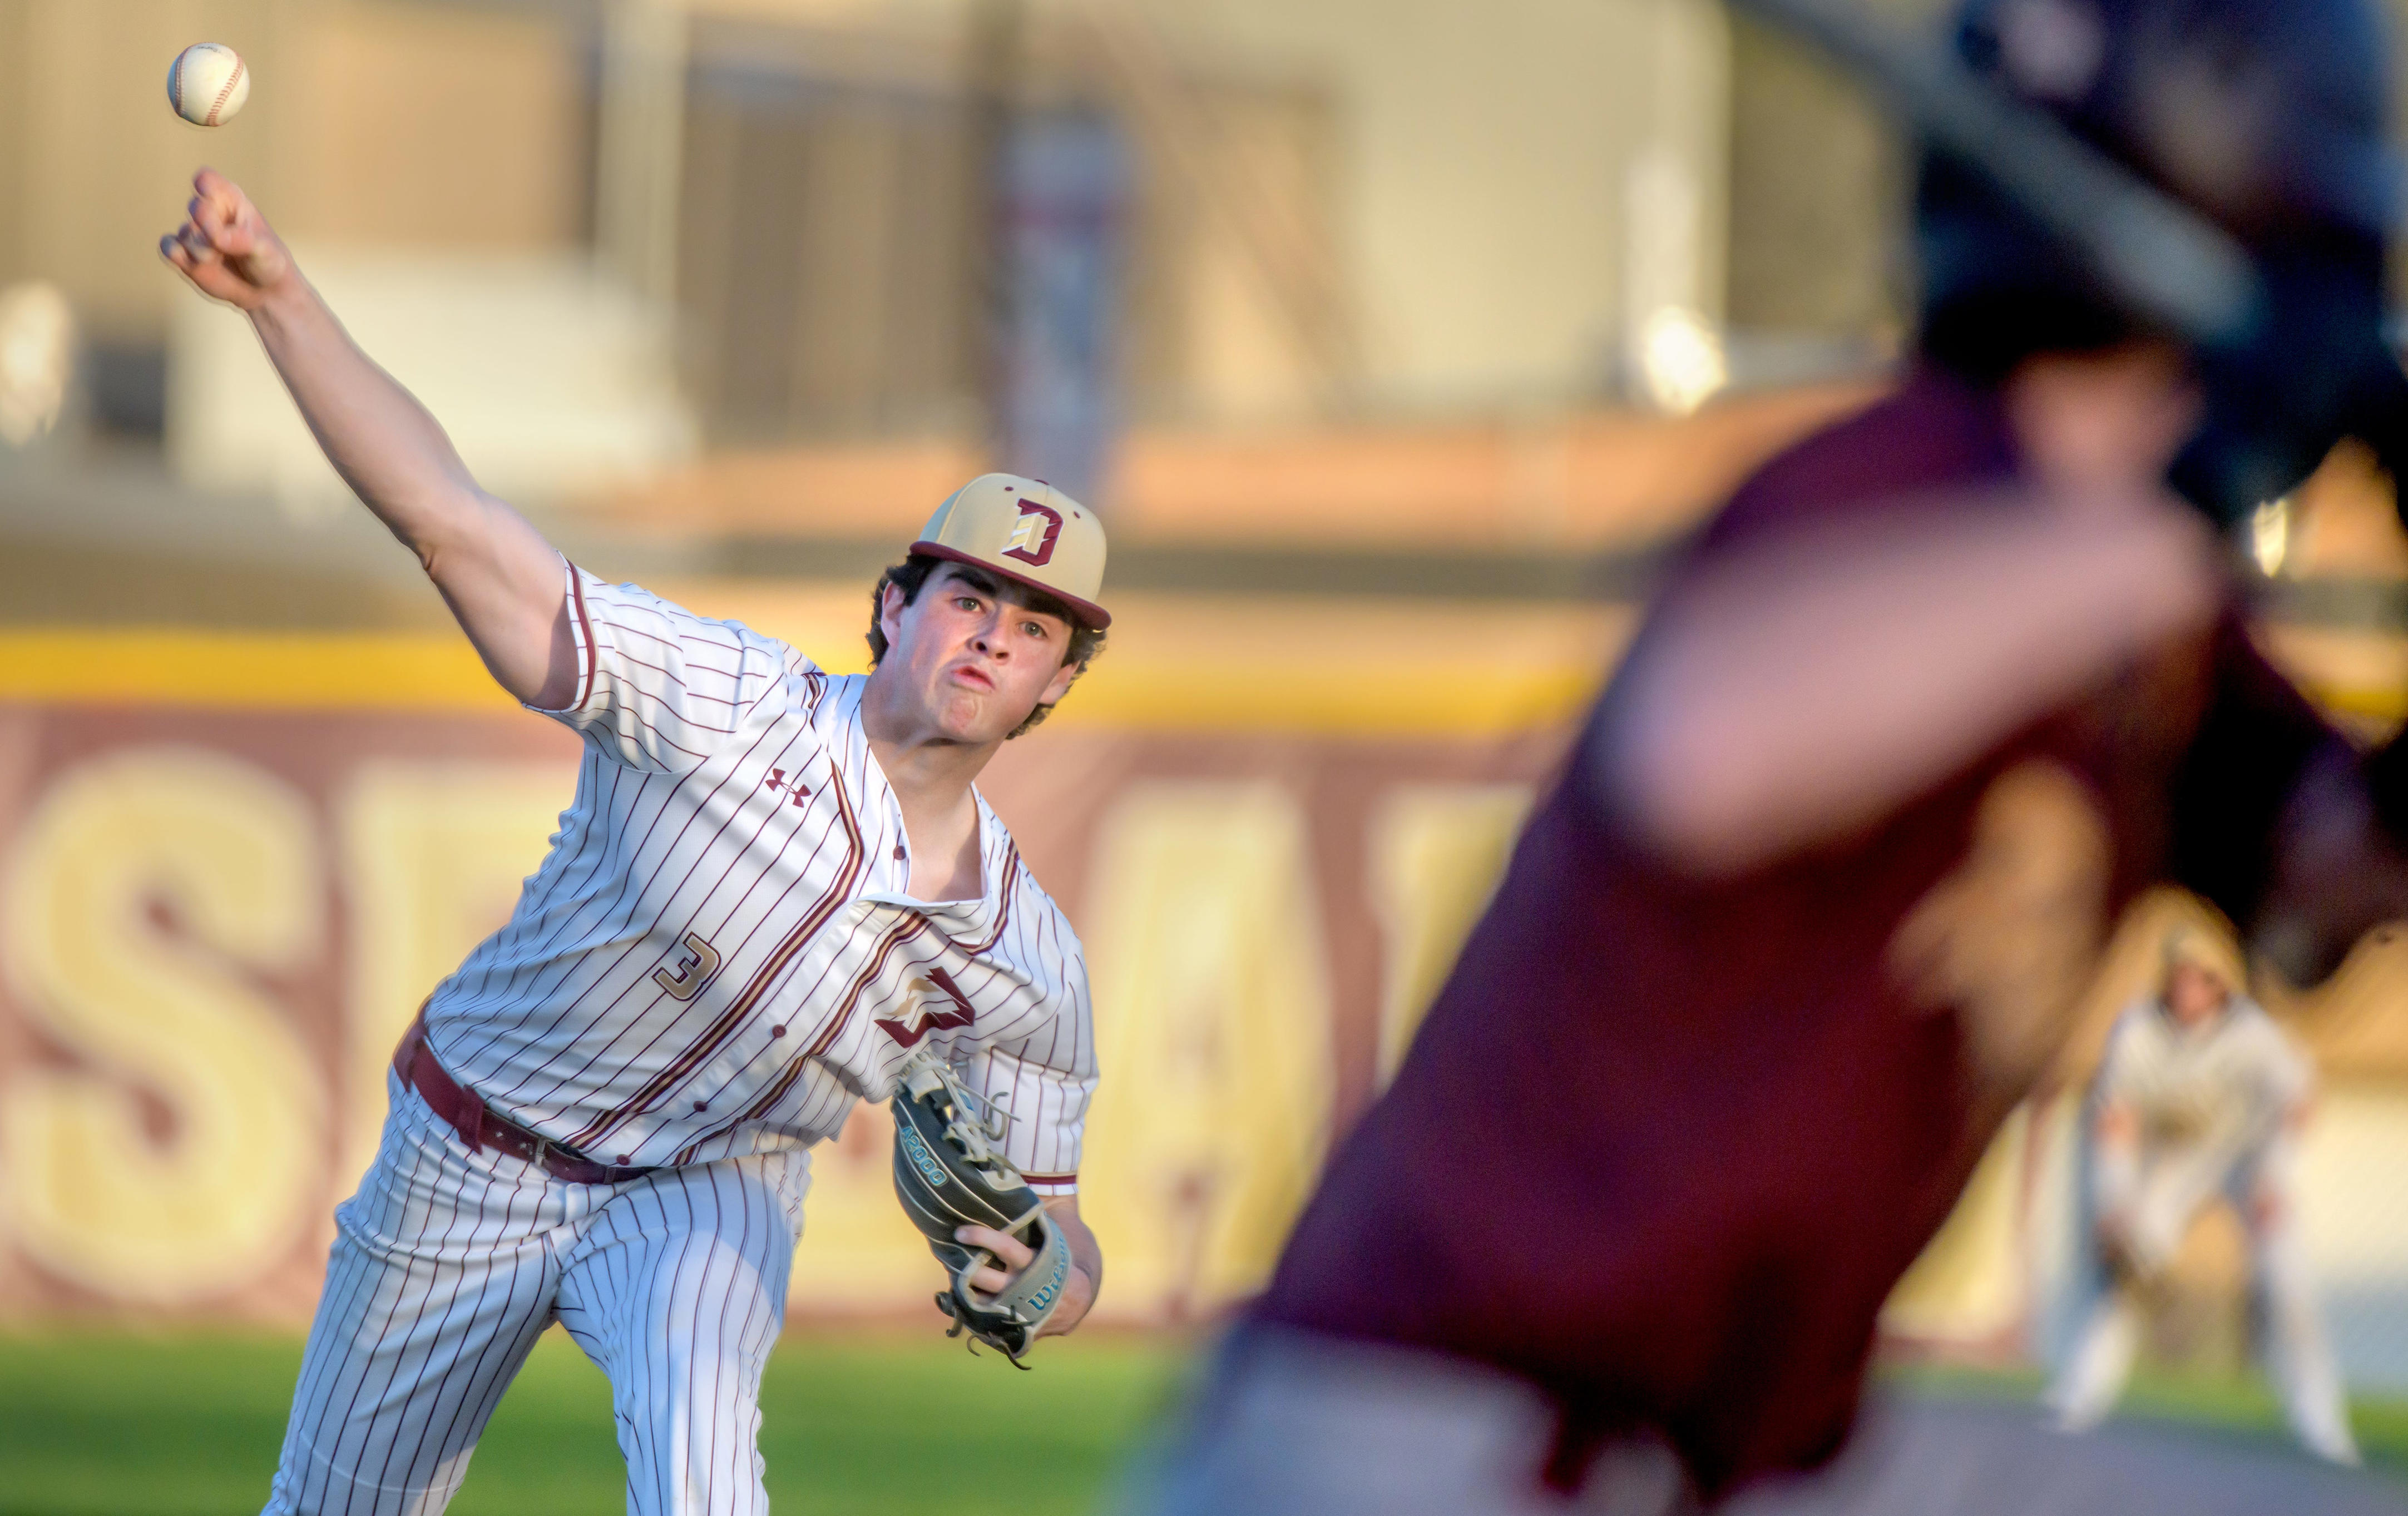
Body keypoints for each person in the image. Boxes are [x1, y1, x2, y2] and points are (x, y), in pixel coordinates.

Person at [1125, 0, 2408, 1512]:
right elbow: (1704, 749)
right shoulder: (1903, 481)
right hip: (1426, 1434)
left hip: (1708, 1459)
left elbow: (2330, 888)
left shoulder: (2161, 638)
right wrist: (2201, 499)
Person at [161, 171, 1111, 1516]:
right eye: (971, 596)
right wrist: (283, 304)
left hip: (706, 1191)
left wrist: (1045, 1277)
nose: (993, 638)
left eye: (1036, 631)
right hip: (473, 1144)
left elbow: (1060, 1230)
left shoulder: (1022, 959)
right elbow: (453, 525)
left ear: (1057, 685)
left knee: (705, 1481)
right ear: (895, 605)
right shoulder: (723, 701)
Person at [2046, 928, 2355, 1462]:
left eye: (2203, 981)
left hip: (2245, 1156)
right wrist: (2114, 1206)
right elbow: (2115, 1121)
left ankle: (2320, 1423)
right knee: (2127, 1270)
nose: (2190, 992)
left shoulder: (2253, 1034)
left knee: (2286, 1277)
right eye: (2180, 979)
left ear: (2221, 987)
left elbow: (2297, 1103)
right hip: (2177, 1161)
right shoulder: (2137, 1030)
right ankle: (2080, 1400)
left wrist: (2273, 1178)